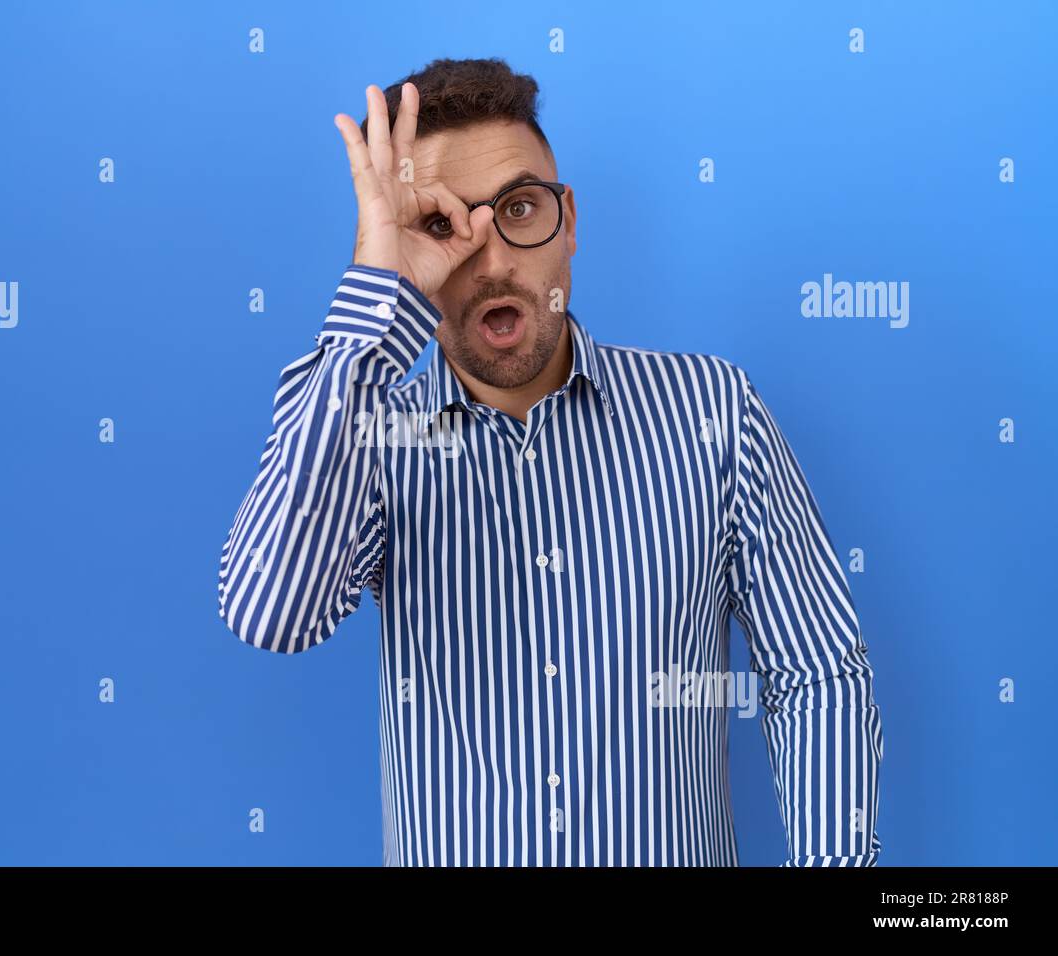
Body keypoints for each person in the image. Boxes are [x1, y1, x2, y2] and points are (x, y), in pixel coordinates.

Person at [218, 57, 884, 866]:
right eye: (442, 226)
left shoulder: (714, 412)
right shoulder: (373, 432)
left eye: (520, 209)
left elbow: (816, 673)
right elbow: (271, 612)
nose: (493, 261)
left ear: (568, 222)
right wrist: (374, 294)